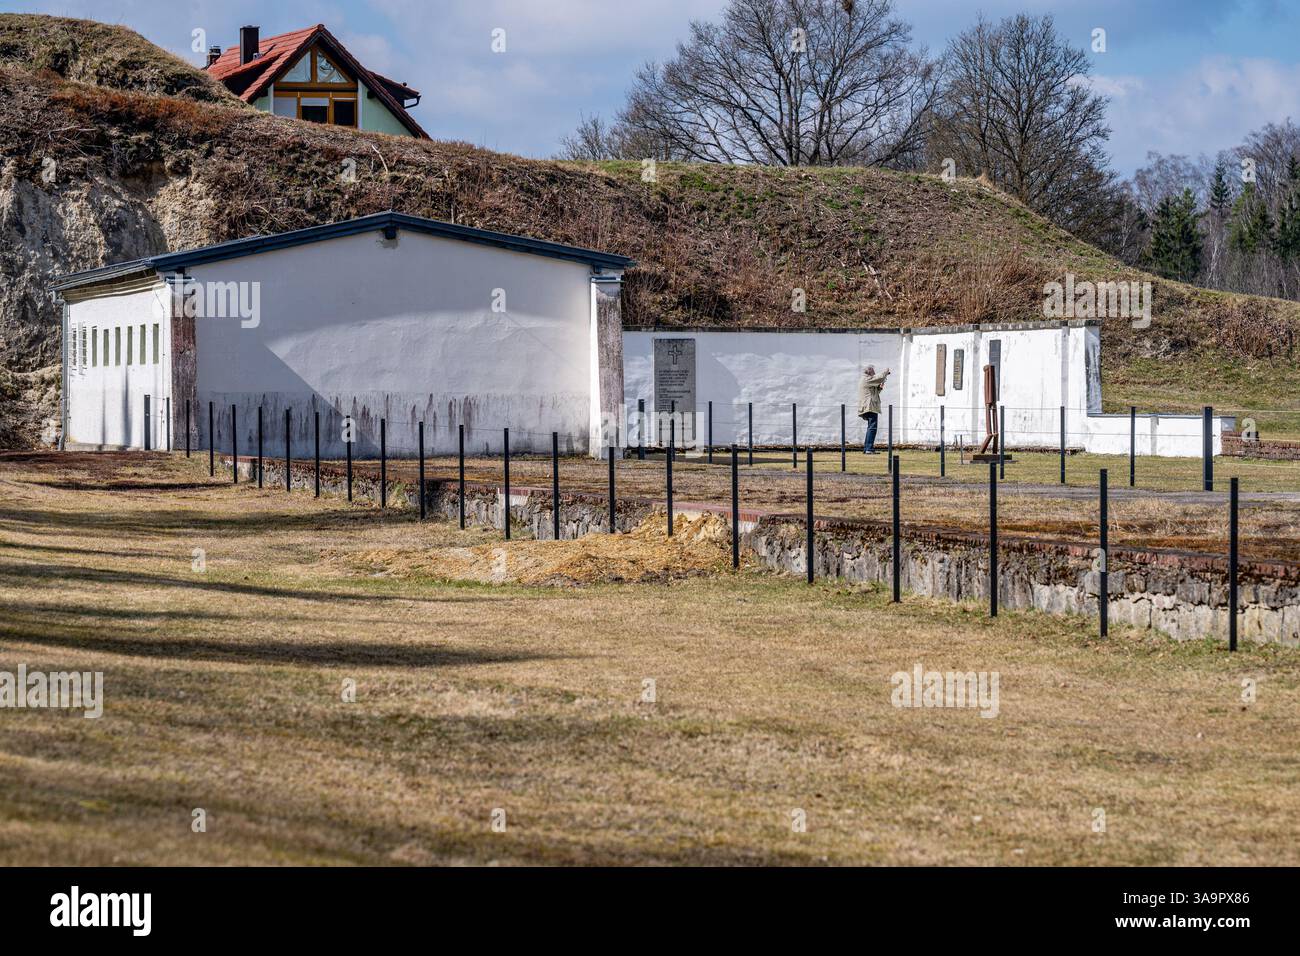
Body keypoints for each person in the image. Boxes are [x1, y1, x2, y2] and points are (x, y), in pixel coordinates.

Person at [858, 365, 891, 453]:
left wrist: (880, 388)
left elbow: (874, 393)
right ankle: (869, 448)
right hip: (870, 406)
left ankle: (867, 448)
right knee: (872, 428)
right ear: (869, 372)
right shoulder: (866, 379)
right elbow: (879, 377)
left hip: (870, 406)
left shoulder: (868, 380)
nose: (874, 373)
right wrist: (886, 372)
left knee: (870, 427)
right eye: (873, 371)